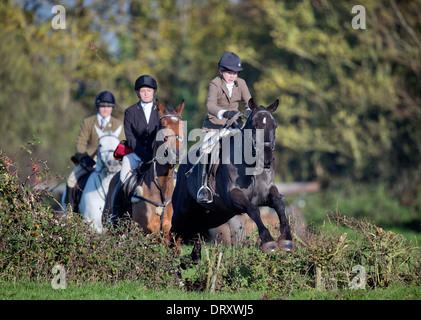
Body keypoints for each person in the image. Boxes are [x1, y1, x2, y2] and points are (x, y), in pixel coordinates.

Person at [197, 52, 253, 203]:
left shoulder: (241, 83)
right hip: (214, 125)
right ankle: (204, 188)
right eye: (229, 72)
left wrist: (249, 112)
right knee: (207, 150)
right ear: (221, 71)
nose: (232, 76)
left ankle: (257, 183)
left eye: (234, 73)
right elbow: (210, 105)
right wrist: (224, 113)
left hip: (234, 125)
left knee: (252, 145)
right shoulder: (215, 83)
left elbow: (249, 102)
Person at [110, 75, 160, 223]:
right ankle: (116, 214)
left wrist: (155, 155)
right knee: (124, 179)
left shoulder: (160, 111)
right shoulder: (130, 111)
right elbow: (130, 138)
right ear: (138, 93)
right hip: (135, 155)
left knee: (174, 177)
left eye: (149, 90)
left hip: (156, 156)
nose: (146, 93)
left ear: (153, 92)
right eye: (143, 90)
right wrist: (144, 156)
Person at [65, 90, 125, 211]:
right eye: (103, 106)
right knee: (71, 180)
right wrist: (85, 158)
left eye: (109, 106)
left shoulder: (118, 124)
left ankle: (125, 211)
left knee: (125, 180)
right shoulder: (88, 122)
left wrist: (119, 160)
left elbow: (122, 143)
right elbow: (80, 143)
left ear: (112, 108)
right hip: (90, 160)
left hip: (112, 161)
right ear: (98, 106)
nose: (105, 109)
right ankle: (69, 213)